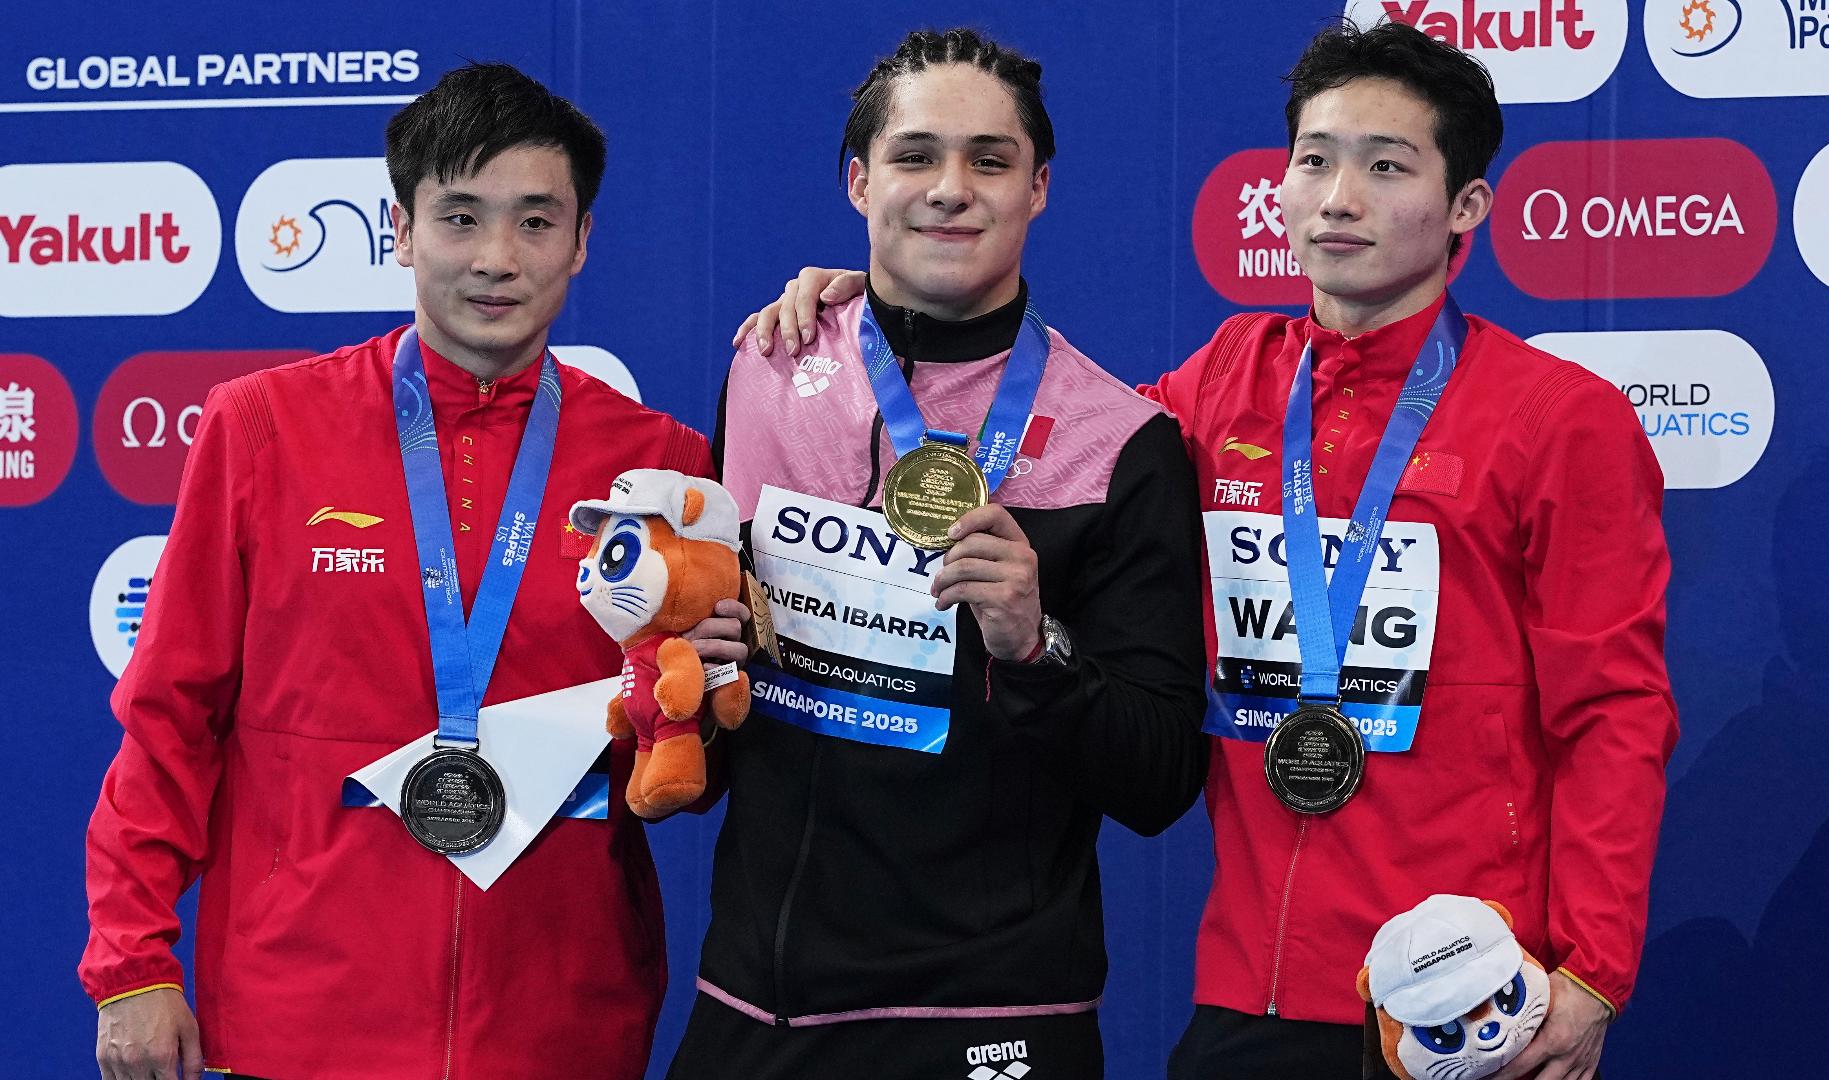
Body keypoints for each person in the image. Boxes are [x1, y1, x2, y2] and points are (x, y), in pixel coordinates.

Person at [743, 20, 1677, 1080]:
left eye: (1387, 166)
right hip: (1250, 987)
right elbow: (1056, 427)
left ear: (1467, 206)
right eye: (1315, 159)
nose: (1339, 196)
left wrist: (1592, 972)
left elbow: (1614, 711)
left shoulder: (1561, 418)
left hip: (1459, 989)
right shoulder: (1229, 379)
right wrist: (887, 308)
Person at [81, 63, 712, 1080]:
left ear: (583, 240)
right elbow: (169, 715)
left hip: (561, 1024)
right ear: (402, 230)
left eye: (537, 222)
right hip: (300, 1019)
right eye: (460, 217)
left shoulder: (663, 468)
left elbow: (690, 752)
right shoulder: (262, 430)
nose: (497, 259)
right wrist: (130, 964)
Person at [667, 28, 1209, 1080]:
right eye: (916, 157)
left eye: (990, 161)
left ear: (1039, 188)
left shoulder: (1120, 442)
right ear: (860, 181)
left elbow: (1159, 781)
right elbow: (722, 707)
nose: (951, 189)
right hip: (758, 1009)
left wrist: (1035, 644)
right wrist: (704, 660)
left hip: (995, 1013)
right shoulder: (768, 368)